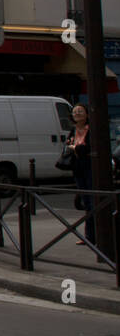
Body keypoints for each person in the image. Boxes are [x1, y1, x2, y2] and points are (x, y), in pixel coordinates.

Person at [68, 103, 97, 251]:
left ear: (86, 114)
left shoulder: (91, 129)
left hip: (90, 168)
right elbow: (68, 145)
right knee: (86, 202)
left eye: (80, 111)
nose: (77, 114)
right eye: (75, 112)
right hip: (78, 168)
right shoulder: (73, 130)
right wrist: (74, 147)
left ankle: (96, 236)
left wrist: (76, 148)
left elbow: (88, 147)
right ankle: (89, 237)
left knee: (93, 202)